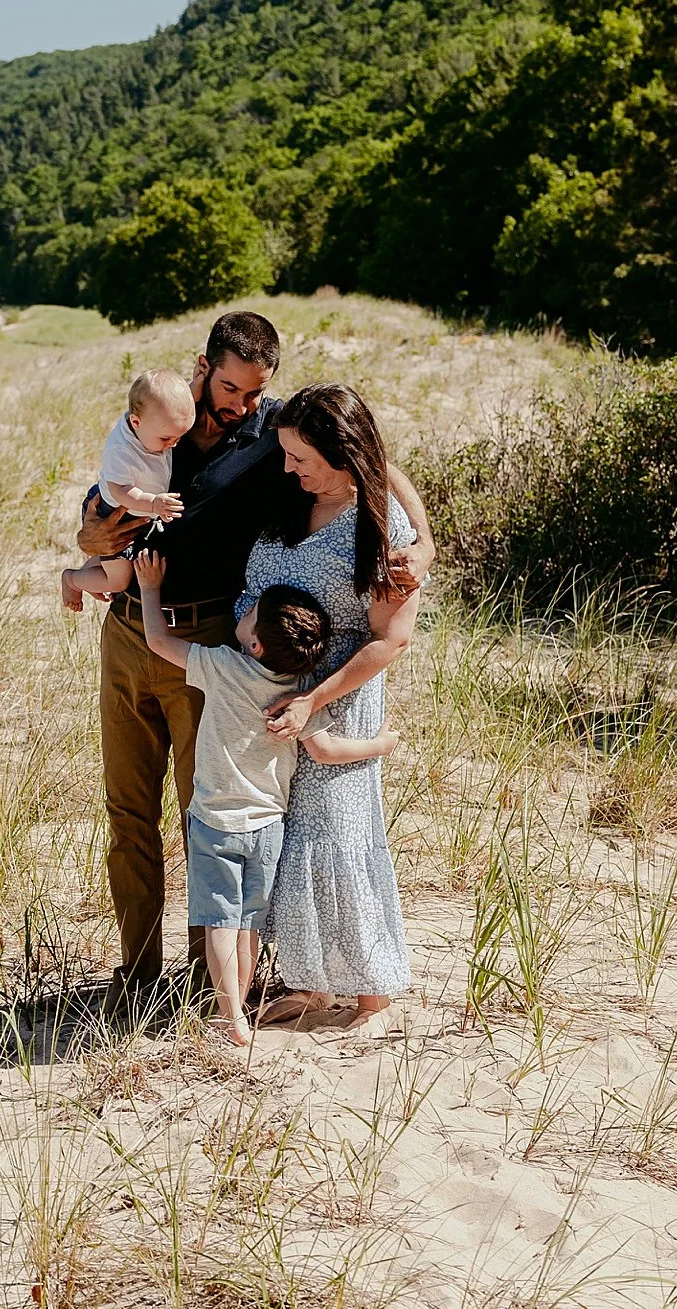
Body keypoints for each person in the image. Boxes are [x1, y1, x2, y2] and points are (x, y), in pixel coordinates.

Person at [77, 310, 434, 1012]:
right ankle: (137, 974)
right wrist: (92, 536)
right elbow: (97, 516)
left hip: (211, 638)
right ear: (202, 365)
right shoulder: (158, 423)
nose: (242, 403)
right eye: (233, 387)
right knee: (126, 811)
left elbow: (377, 462)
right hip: (129, 629)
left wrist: (424, 540)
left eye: (255, 390)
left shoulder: (274, 430)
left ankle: (207, 983)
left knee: (207, 808)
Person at [127, 550, 399, 1044]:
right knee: (249, 922)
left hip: (214, 819)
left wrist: (148, 588)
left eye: (250, 612)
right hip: (270, 824)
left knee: (220, 924)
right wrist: (380, 745)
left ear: (254, 644)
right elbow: (326, 750)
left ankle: (228, 1018)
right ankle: (242, 1009)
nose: (243, 610)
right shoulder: (299, 692)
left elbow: (157, 640)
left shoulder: (222, 667)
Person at [245, 384, 421, 1037]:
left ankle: (374, 995)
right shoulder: (294, 504)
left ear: (343, 455)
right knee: (293, 842)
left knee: (339, 840)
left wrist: (315, 699)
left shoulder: (380, 529)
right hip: (275, 689)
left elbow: (389, 640)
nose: (289, 469)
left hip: (336, 696)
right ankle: (312, 982)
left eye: (301, 457)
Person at [60, 368, 196, 612]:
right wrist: (154, 503)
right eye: (166, 438)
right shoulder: (122, 451)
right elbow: (121, 491)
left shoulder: (153, 424)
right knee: (119, 580)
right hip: (113, 511)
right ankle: (72, 579)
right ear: (135, 422)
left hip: (139, 511)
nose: (173, 444)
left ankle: (95, 568)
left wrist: (198, 383)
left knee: (120, 563)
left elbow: (180, 403)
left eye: (179, 436)